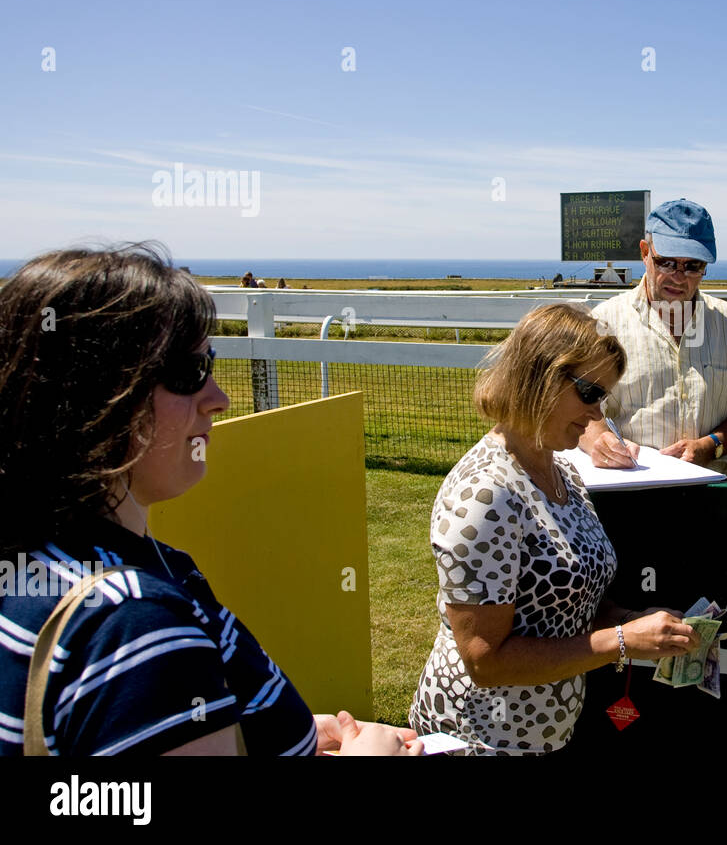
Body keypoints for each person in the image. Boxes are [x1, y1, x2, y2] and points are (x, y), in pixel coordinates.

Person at [0, 244, 420, 756]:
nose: (218, 398)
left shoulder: (42, 559)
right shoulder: (132, 623)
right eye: (189, 371)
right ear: (92, 395)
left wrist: (284, 729)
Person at [409, 303, 700, 755]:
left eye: (604, 397)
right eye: (589, 393)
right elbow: (485, 660)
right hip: (477, 737)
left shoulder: (563, 471)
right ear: (540, 378)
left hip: (540, 733)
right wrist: (620, 642)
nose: (597, 412)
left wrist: (632, 622)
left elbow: (567, 605)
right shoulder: (485, 495)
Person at [578, 198, 727, 479]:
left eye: (693, 266)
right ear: (645, 252)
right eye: (667, 263)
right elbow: (576, 404)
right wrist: (598, 440)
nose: (679, 278)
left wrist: (712, 445)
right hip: (630, 487)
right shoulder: (606, 322)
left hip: (715, 486)